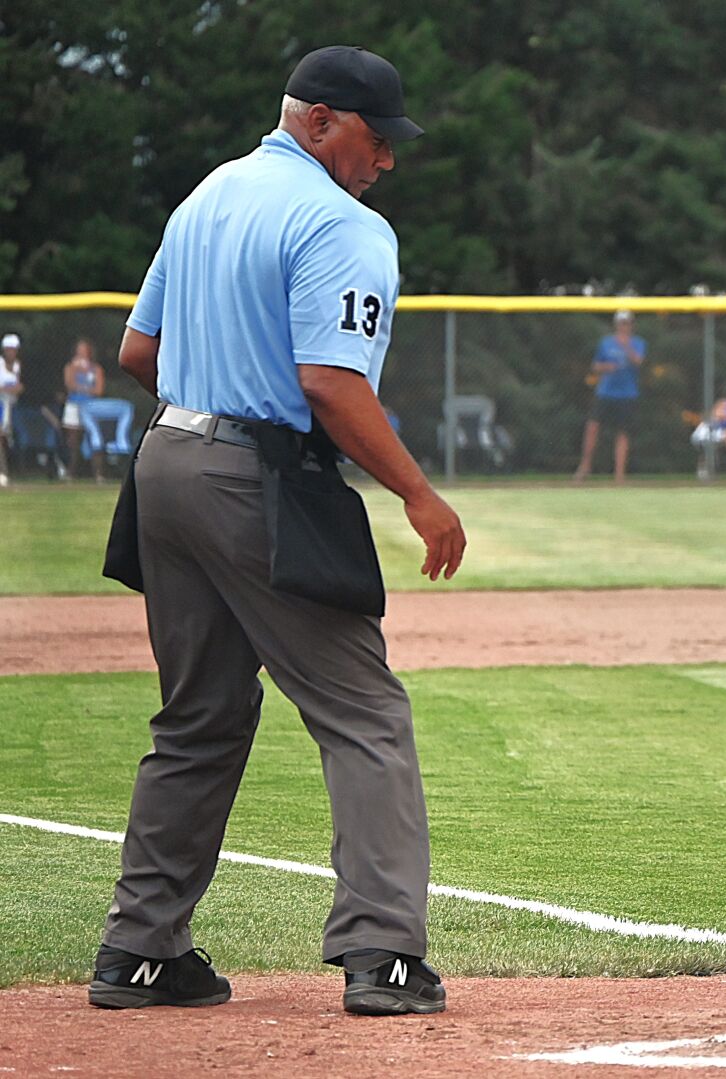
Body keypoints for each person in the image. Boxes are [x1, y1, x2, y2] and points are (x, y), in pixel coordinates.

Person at [90, 45, 464, 1018]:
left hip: (165, 460)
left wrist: (206, 406)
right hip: (253, 474)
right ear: (323, 121)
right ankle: (382, 952)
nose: (384, 161)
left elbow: (138, 350)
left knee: (200, 714)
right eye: (376, 140)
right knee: (363, 712)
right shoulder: (340, 223)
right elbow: (330, 382)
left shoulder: (208, 195)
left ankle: (140, 948)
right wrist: (419, 494)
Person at [572, 310, 645, 482]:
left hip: (627, 394)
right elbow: (595, 365)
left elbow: (638, 361)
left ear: (631, 325)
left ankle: (619, 474)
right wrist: (606, 367)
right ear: (616, 324)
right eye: (621, 323)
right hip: (605, 392)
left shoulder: (638, 343)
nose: (624, 326)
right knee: (592, 427)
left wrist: (626, 346)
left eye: (627, 323)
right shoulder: (606, 343)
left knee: (622, 432)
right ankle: (585, 466)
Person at [62, 338, 107, 482]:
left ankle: (98, 474)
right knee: (73, 441)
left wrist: (83, 389)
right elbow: (70, 385)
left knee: (94, 438)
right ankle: (71, 472)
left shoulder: (96, 369)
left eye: (84, 349)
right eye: (79, 349)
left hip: (91, 407)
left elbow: (99, 390)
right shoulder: (70, 367)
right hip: (73, 405)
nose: (81, 352)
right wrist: (79, 374)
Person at [0, 333, 21, 487]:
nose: (11, 352)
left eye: (13, 349)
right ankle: (3, 472)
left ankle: (4, 472)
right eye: (8, 349)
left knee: (5, 439)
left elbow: (19, 388)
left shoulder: (17, 366)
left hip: (10, 407)